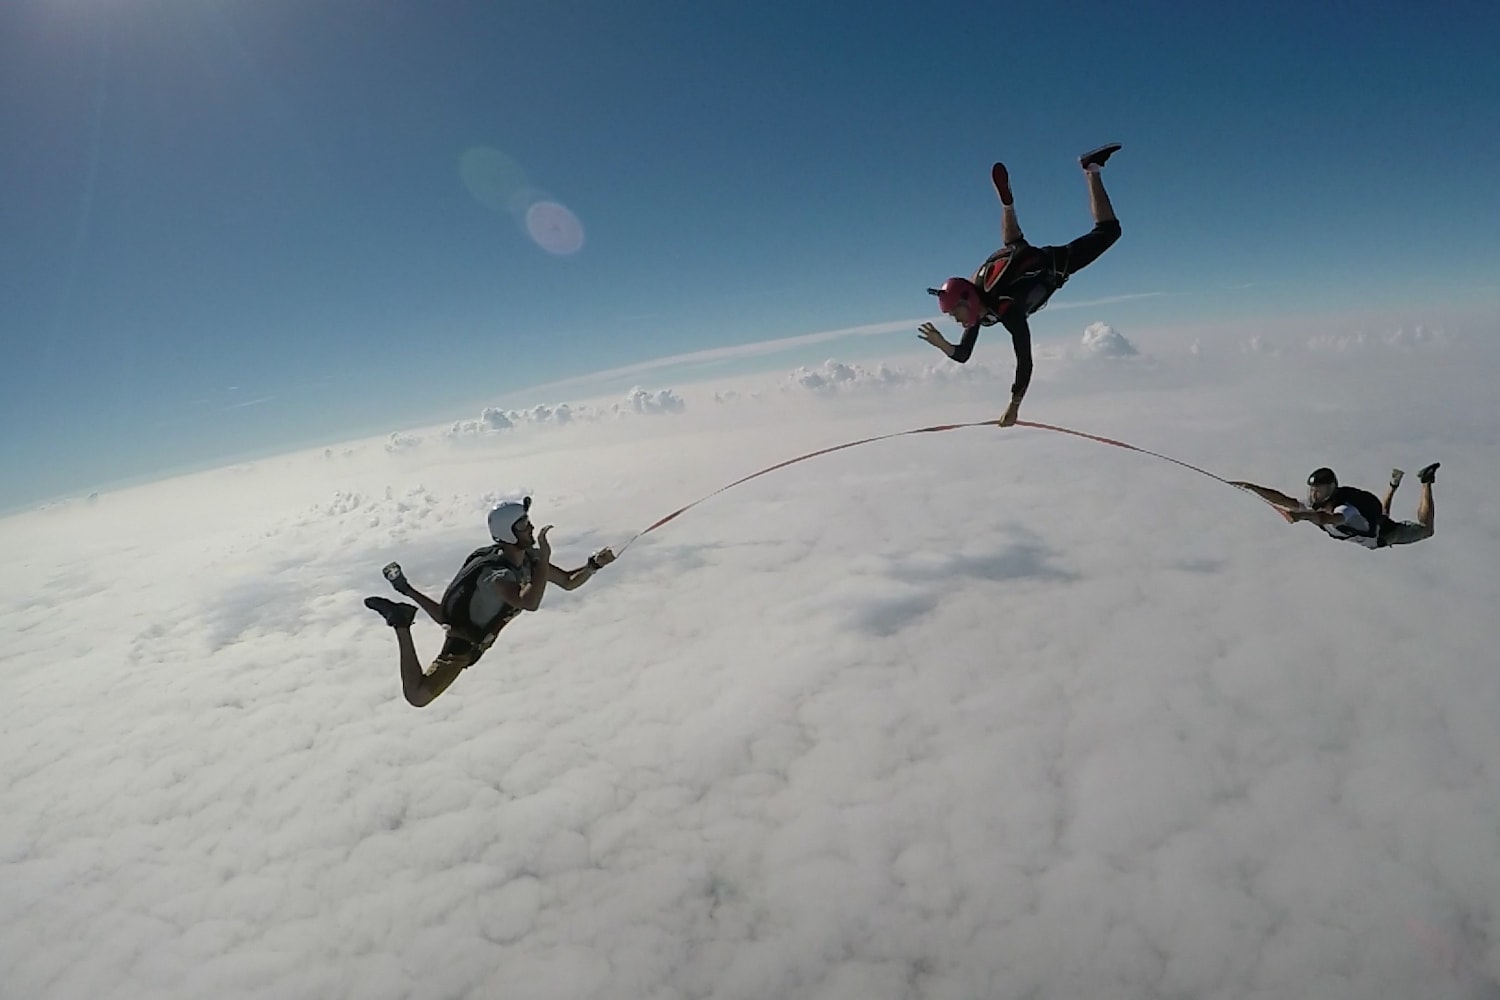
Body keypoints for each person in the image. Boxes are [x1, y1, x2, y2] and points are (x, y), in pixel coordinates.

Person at [919, 143, 1124, 426]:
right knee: (1014, 243)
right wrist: (942, 344)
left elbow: (1025, 360)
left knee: (1109, 231)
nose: (956, 320)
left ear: (967, 301)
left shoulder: (1006, 309)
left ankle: (1092, 170)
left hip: (1053, 264)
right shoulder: (979, 305)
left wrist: (1014, 405)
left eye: (955, 313)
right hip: (1018, 255)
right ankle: (1007, 207)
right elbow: (963, 355)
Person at [363, 496, 616, 707]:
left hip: (466, 628)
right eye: (523, 524)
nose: (530, 527)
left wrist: (593, 565)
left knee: (449, 622)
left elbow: (568, 582)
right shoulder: (496, 575)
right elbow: (529, 602)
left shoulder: (527, 562)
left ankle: (404, 594)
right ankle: (401, 623)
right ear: (508, 532)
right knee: (417, 696)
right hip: (464, 645)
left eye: (527, 522)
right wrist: (544, 558)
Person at [1231, 463, 1439, 549]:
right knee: (1381, 515)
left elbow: (1327, 519)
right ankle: (1393, 485)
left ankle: (1426, 481)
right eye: (1313, 490)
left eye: (1319, 491)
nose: (1314, 495)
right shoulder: (1317, 503)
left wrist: (1302, 517)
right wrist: (1252, 487)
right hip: (1373, 524)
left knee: (1426, 530)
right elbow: (1285, 500)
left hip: (1384, 535)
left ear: (1331, 489)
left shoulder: (1345, 509)